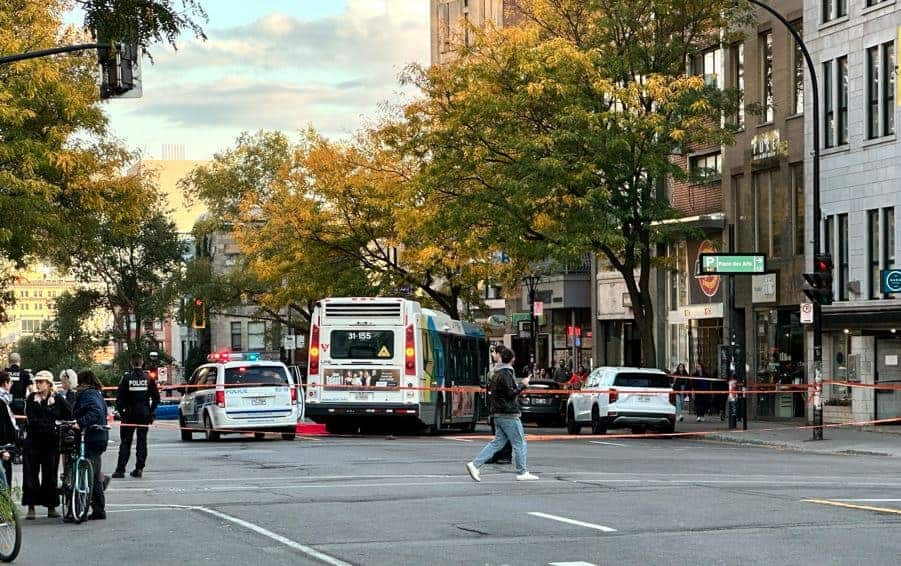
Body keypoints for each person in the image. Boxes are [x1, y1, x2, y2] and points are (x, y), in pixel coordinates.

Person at [465, 346, 538, 482]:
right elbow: (511, 393)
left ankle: (475, 464)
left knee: (498, 442)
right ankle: (522, 471)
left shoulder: (496, 373)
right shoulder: (506, 374)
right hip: (508, 413)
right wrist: (523, 384)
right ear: (511, 359)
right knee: (520, 442)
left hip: (498, 413)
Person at [22, 370, 72, 519]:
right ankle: (31, 507)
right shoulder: (31, 398)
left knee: (50, 474)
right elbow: (32, 419)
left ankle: (51, 506)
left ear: (49, 384)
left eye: (41, 381)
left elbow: (68, 415)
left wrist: (62, 426)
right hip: (33, 441)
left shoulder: (58, 399)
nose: (38, 384)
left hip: (51, 443)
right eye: (37, 381)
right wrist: (51, 425)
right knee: (30, 474)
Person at [113, 354, 159, 479]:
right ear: (142, 362)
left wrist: (122, 413)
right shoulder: (148, 378)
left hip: (129, 414)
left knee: (125, 442)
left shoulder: (126, 378)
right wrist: (150, 411)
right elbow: (156, 398)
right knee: (142, 441)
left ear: (132, 363)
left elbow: (119, 399)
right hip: (144, 414)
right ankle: (139, 468)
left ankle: (120, 469)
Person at [72, 370, 110, 520]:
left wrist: (80, 423)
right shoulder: (97, 393)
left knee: (92, 475)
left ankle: (98, 508)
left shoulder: (88, 394)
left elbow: (95, 412)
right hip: (100, 436)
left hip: (92, 436)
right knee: (94, 471)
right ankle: (98, 508)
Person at [0, 371, 19, 488]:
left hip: (6, 444)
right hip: (3, 446)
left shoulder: (5, 399)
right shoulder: (1, 400)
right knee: (4, 481)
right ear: (5, 383)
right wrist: (2, 449)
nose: (12, 384)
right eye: (10, 382)